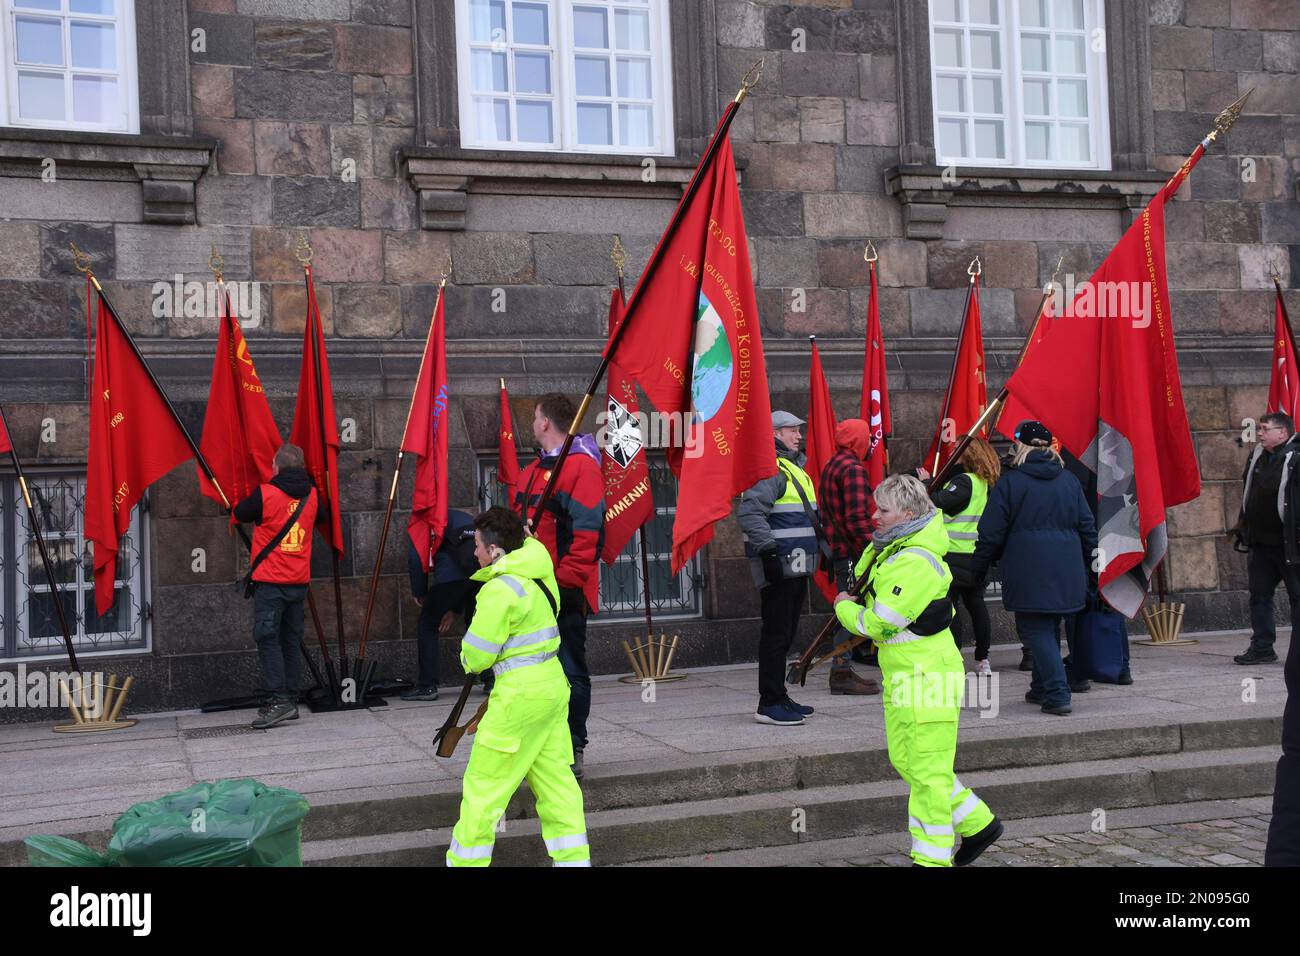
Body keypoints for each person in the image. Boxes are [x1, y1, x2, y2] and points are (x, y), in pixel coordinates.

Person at [833, 474, 1001, 866]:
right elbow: (866, 580)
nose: (874, 516)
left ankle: (932, 860)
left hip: (927, 676)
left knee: (926, 772)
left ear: (907, 514)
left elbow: (879, 623)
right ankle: (978, 823)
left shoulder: (913, 560)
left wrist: (844, 606)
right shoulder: (894, 547)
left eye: (883, 510)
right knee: (909, 761)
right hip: (907, 673)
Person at [446, 507, 590, 867]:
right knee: (558, 785)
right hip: (552, 688)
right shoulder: (539, 574)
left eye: (478, 545)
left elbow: (477, 657)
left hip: (517, 697)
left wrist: (467, 657)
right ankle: (574, 861)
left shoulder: (498, 590)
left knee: (484, 788)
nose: (475, 553)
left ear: (495, 550)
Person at [970, 421, 1097, 716]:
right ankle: (1041, 686)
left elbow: (989, 532)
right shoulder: (1069, 481)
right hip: (1067, 569)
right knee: (1049, 626)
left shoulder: (1011, 483)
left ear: (1020, 446)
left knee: (1036, 629)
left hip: (1028, 569)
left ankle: (1057, 692)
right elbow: (1088, 528)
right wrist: (1094, 567)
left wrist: (978, 568)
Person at [515, 393, 604, 778]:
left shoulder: (582, 467)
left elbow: (587, 535)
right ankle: (536, 745)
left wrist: (564, 584)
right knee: (527, 672)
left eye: (535, 417)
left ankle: (573, 744)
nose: (532, 423)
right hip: (528, 590)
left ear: (546, 422)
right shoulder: (532, 471)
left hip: (563, 592)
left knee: (569, 669)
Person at [739, 410, 824, 725]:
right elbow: (750, 513)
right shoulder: (771, 470)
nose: (798, 436)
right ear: (774, 433)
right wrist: (769, 553)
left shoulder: (793, 468)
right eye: (792, 431)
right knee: (775, 635)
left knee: (785, 633)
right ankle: (769, 702)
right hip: (779, 565)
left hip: (796, 565)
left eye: (798, 431)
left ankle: (778, 695)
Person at [233, 443, 318, 730]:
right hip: (298, 582)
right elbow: (324, 519)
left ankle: (280, 701)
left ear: (278, 468)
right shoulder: (313, 494)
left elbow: (240, 512)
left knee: (267, 639)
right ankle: (289, 699)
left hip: (271, 582)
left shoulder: (266, 493)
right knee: (290, 640)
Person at [919, 437, 1000, 674]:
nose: (952, 453)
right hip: (975, 554)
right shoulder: (983, 482)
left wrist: (926, 483)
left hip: (954, 553)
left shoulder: (964, 481)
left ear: (968, 453)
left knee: (951, 607)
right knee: (976, 605)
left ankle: (954, 656)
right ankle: (982, 658)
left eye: (956, 450)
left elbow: (937, 501)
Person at [815, 418, 882, 695]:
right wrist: (875, 546)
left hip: (840, 551)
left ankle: (843, 668)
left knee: (847, 605)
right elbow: (856, 519)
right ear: (858, 440)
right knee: (850, 608)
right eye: (867, 437)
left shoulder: (833, 464)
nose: (870, 442)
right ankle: (841, 671)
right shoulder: (853, 469)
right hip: (853, 553)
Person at [1232, 411, 1300, 665]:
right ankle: (1262, 647)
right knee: (1259, 596)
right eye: (1258, 429)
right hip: (1261, 542)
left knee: (1297, 598)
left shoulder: (1296, 457)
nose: (1259, 433)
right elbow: (1249, 493)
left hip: (1289, 544)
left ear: (1282, 432)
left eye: (1264, 429)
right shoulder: (1257, 457)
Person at [402, 509, 480, 702]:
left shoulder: (425, 520)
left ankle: (428, 686)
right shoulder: (462, 517)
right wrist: (454, 610)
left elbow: (416, 557)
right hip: (479, 576)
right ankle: (489, 680)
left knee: (428, 624)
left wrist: (419, 592)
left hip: (448, 579)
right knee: (477, 625)